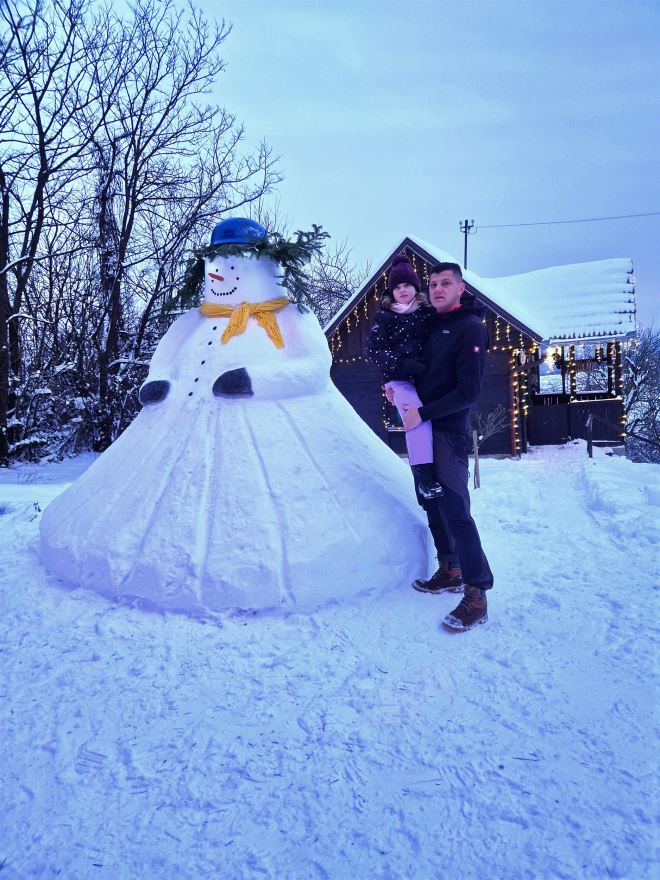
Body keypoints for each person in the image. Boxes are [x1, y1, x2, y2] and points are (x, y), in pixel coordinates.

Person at [401, 261, 494, 631]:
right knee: (432, 502)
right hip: (423, 431)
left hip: (448, 435)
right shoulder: (432, 324)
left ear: (460, 288)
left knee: (456, 511)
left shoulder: (470, 328)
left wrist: (422, 412)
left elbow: (468, 391)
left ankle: (477, 593)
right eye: (433, 283)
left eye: (445, 283)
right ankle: (451, 568)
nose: (437, 289)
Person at [367, 254, 444, 500]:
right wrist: (401, 363)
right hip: (399, 379)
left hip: (425, 376)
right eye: (397, 286)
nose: (402, 290)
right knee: (415, 415)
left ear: (415, 287)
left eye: (406, 285)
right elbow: (374, 350)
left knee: (435, 416)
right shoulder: (385, 316)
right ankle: (423, 476)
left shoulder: (428, 313)